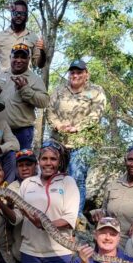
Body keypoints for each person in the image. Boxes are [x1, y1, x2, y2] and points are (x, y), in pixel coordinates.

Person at [46, 59, 107, 216]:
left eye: (79, 72)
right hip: (59, 141)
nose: (75, 75)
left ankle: (75, 216)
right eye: (72, 72)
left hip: (83, 141)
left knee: (76, 175)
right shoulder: (59, 90)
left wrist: (78, 128)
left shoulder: (96, 91)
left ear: (86, 74)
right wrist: (58, 125)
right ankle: (51, 210)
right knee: (47, 169)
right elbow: (50, 112)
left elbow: (97, 113)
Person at [0, 43, 49, 151]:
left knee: (22, 164)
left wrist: (25, 89)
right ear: (10, 57)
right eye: (16, 56)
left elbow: (44, 102)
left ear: (28, 59)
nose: (19, 60)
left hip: (22, 131)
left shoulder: (34, 79)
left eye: (23, 57)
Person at [0, 0, 46, 70]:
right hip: (5, 79)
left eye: (22, 14)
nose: (19, 16)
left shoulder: (34, 37)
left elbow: (40, 65)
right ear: (11, 14)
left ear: (26, 16)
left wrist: (42, 51)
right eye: (16, 13)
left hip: (26, 79)